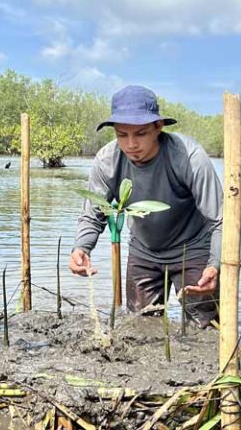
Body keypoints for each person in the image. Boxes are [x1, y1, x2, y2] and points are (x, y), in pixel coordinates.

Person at [69, 85, 222, 327]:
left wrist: (215, 264)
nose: (131, 145)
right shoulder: (107, 160)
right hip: (144, 250)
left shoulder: (188, 157)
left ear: (158, 127)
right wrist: (81, 247)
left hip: (193, 249)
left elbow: (219, 219)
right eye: (122, 135)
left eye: (140, 134)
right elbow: (92, 214)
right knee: (139, 327)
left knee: (206, 327)